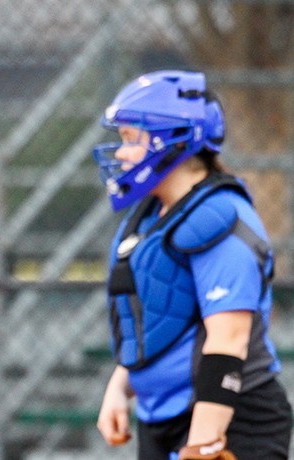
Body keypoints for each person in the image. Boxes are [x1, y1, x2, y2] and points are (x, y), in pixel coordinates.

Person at [92, 70, 292, 460]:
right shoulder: (151, 214)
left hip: (231, 418)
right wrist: (121, 385)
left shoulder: (219, 216)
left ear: (173, 139)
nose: (119, 152)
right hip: (161, 417)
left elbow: (227, 339)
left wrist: (205, 441)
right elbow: (161, 318)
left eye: (131, 139)